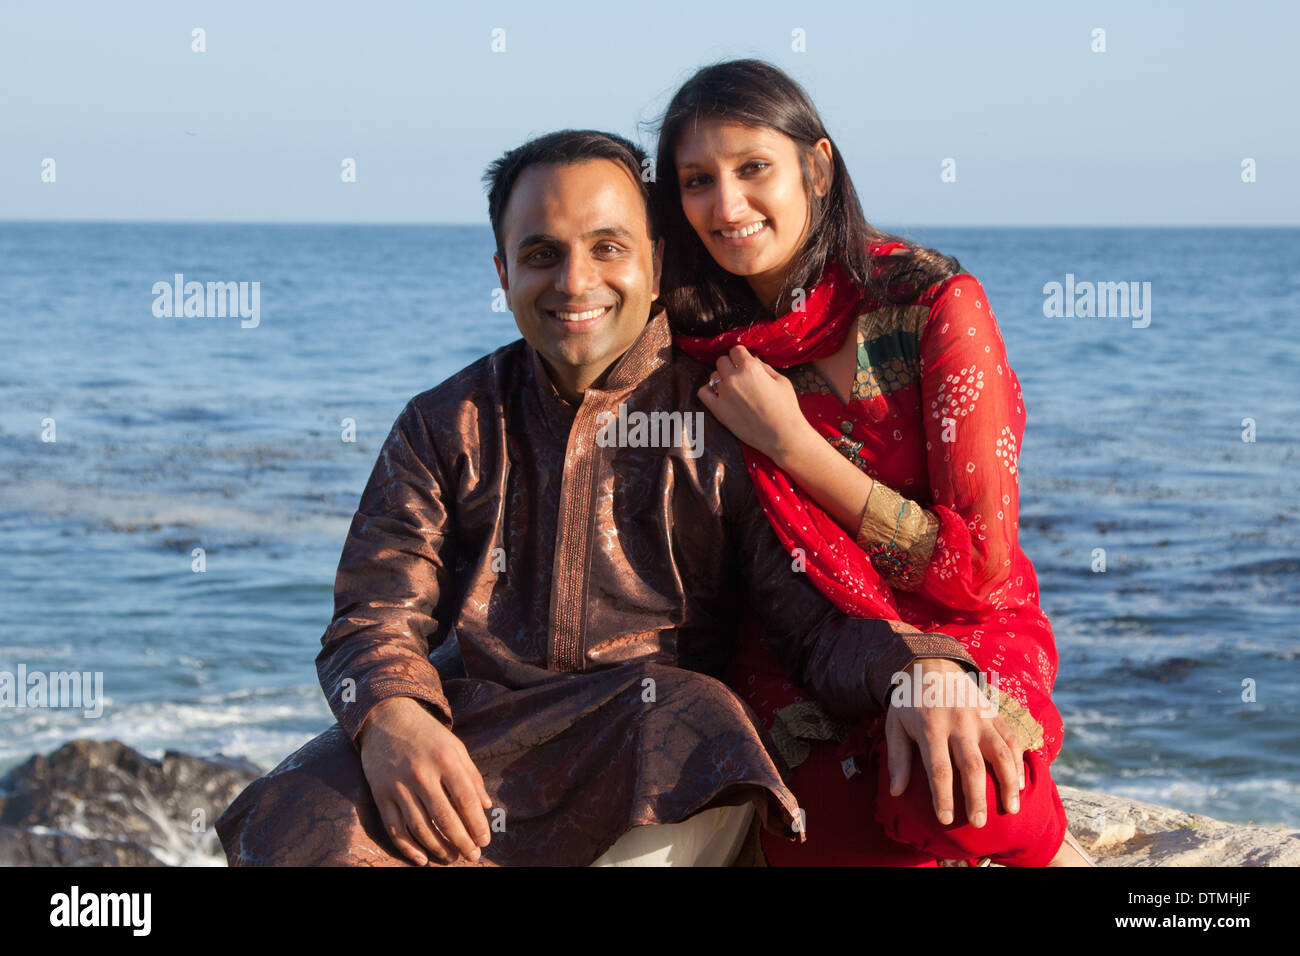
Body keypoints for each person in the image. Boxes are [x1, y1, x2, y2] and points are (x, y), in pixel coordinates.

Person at [213, 129, 991, 867]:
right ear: (502, 274)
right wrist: (392, 719)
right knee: (291, 812)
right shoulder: (445, 422)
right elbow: (373, 613)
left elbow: (811, 619)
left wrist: (919, 668)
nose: (575, 282)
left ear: (655, 262)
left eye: (607, 248)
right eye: (542, 254)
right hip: (472, 731)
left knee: (701, 730)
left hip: (642, 736)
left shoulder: (721, 415)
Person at [652, 59, 1092, 866]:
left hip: (958, 625)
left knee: (968, 801)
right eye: (696, 181)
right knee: (831, 831)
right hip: (806, 638)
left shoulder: (931, 306)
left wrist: (793, 445)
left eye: (754, 169)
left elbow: (976, 569)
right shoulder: (697, 342)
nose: (726, 205)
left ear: (817, 167)